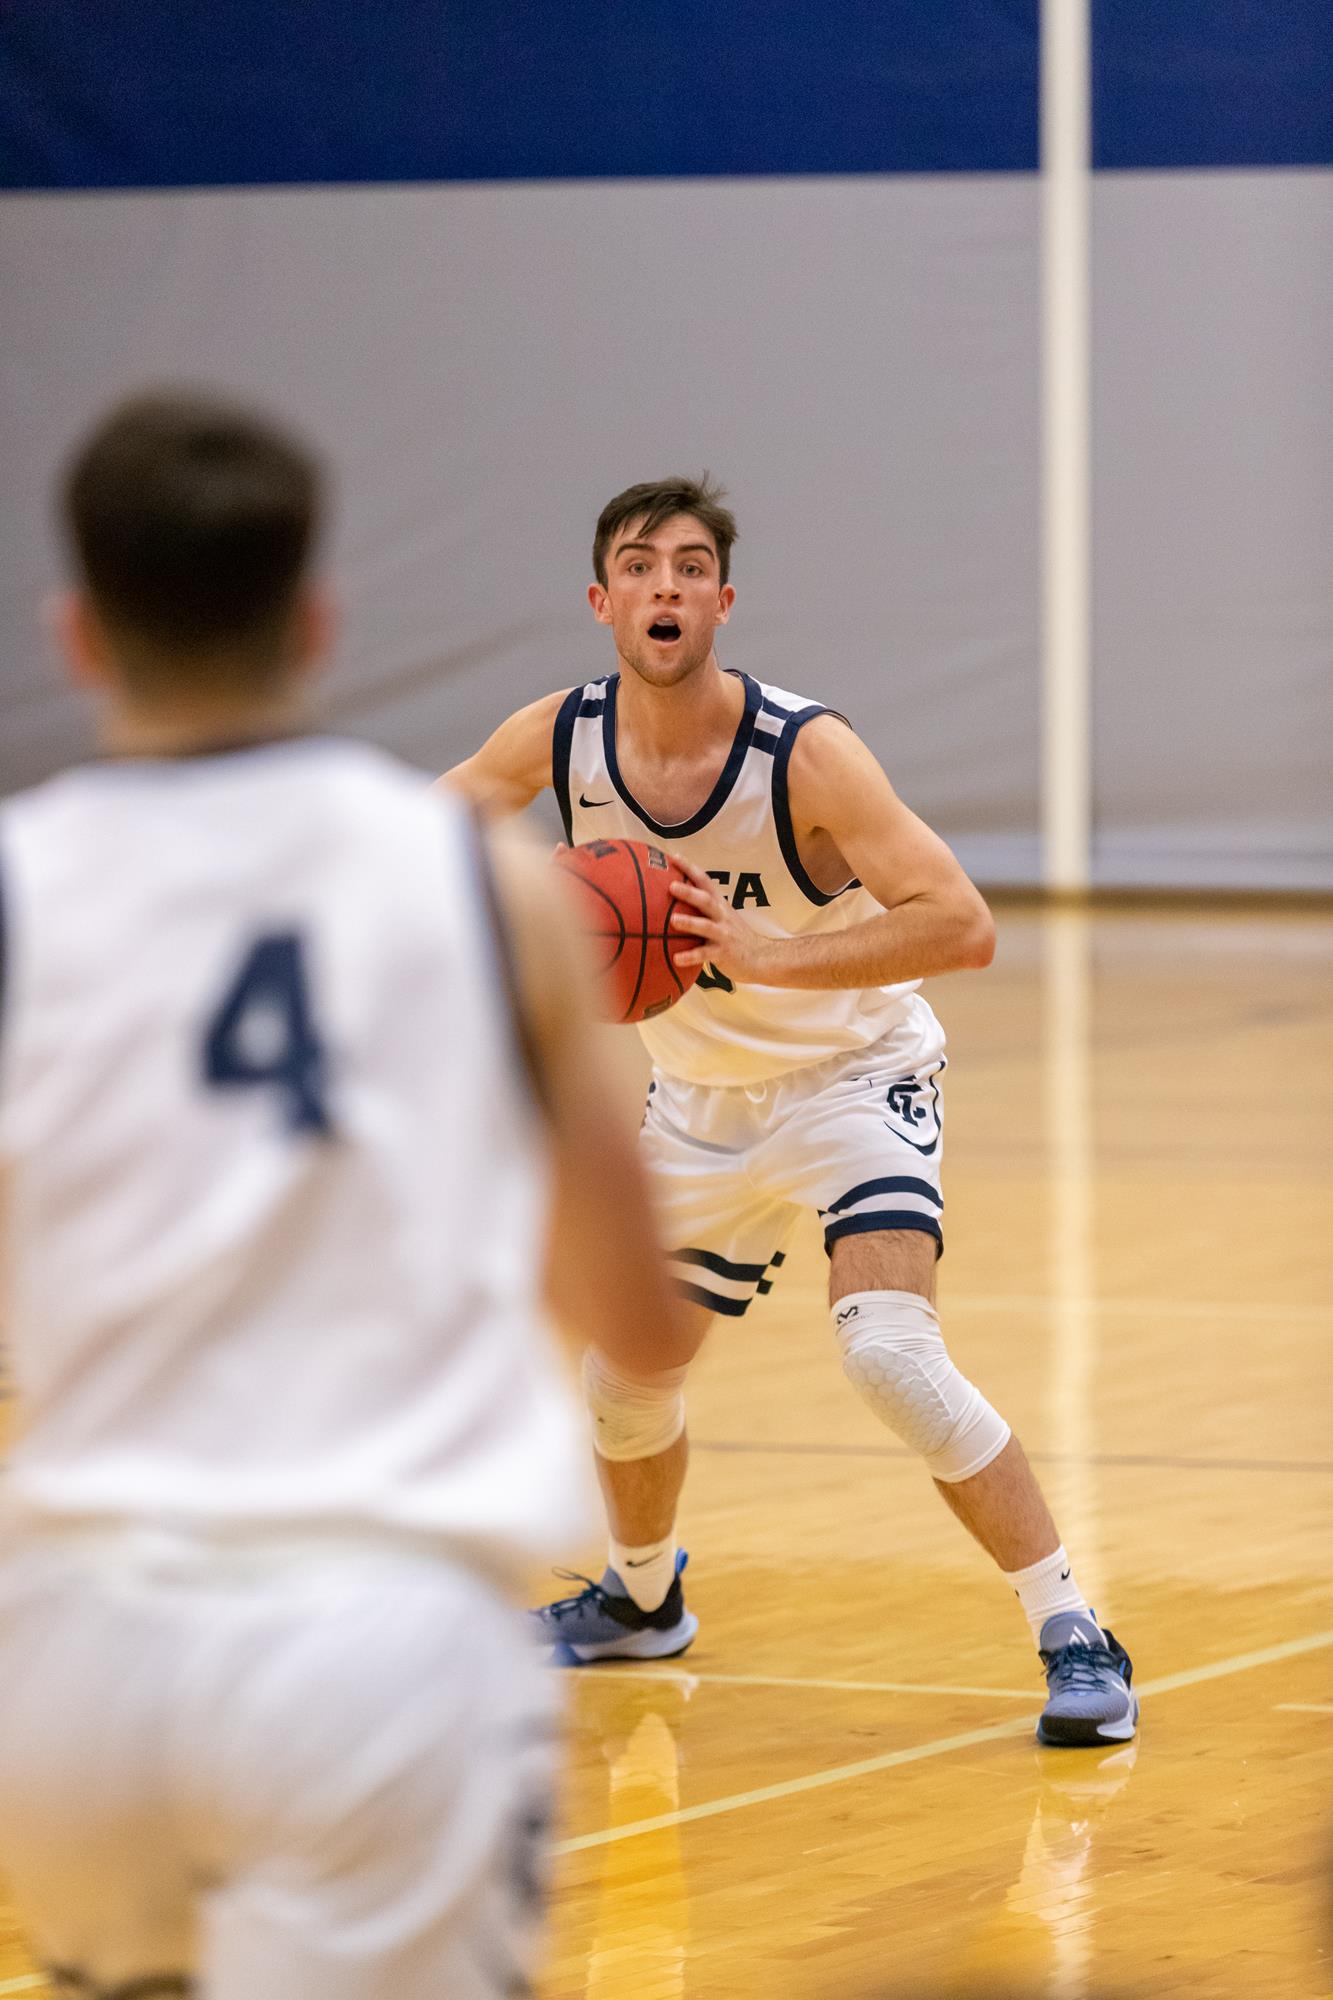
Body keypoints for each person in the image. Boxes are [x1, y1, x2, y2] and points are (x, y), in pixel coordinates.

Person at [0, 394, 695, 1997]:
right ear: (316, 621)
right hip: (377, 1637)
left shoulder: (22, 889)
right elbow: (641, 1323)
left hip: (79, 1646)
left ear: (76, 634)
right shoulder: (481, 886)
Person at [444, 476, 1139, 1749]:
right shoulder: (559, 739)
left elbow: (961, 923)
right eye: (640, 566)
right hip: (700, 1099)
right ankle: (641, 1601)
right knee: (620, 1379)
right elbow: (410, 844)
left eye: (691, 565)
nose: (666, 585)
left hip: (852, 1078)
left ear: (723, 600)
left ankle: (1073, 1626)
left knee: (887, 1350)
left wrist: (767, 953)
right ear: (602, 601)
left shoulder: (803, 751)